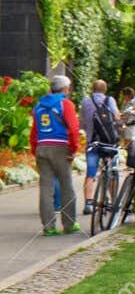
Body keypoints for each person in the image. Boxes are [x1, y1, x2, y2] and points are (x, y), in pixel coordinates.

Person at [30, 74, 81, 235]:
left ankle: (48, 227)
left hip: (42, 147)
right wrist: (73, 149)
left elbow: (34, 132)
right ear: (65, 89)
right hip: (60, 148)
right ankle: (69, 224)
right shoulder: (65, 104)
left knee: (46, 187)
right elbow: (73, 129)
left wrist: (35, 150)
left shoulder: (39, 106)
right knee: (66, 186)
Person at [79, 79, 121, 214]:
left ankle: (88, 204)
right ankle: (114, 201)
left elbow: (82, 123)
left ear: (93, 88)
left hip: (92, 143)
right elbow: (117, 118)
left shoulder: (86, 102)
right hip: (109, 144)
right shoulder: (110, 100)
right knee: (111, 170)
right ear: (105, 90)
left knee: (90, 174)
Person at [119, 86, 135, 158]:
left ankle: (132, 163)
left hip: (133, 126)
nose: (123, 97)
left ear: (128, 95)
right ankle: (128, 163)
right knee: (126, 144)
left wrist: (132, 112)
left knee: (132, 145)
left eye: (124, 95)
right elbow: (122, 112)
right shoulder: (125, 102)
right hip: (125, 125)